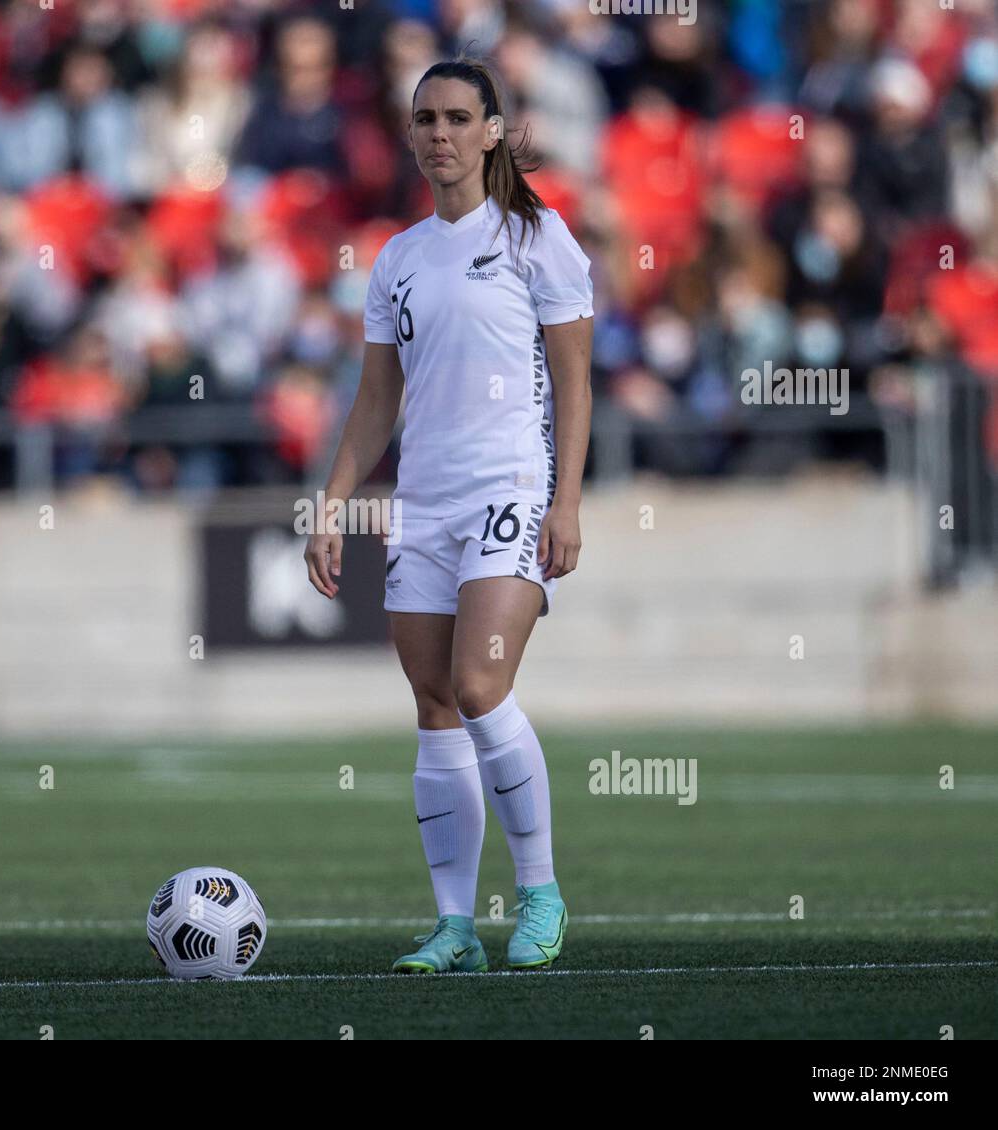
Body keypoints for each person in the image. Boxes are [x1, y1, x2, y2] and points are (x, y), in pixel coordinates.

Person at [304, 57, 594, 973]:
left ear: (494, 130)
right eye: (425, 119)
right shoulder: (396, 258)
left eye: (459, 117)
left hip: (507, 489)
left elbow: (579, 384)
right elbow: (375, 400)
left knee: (479, 688)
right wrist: (332, 502)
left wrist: (567, 499)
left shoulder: (538, 240)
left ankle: (541, 893)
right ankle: (456, 925)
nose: (440, 134)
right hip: (420, 505)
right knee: (434, 707)